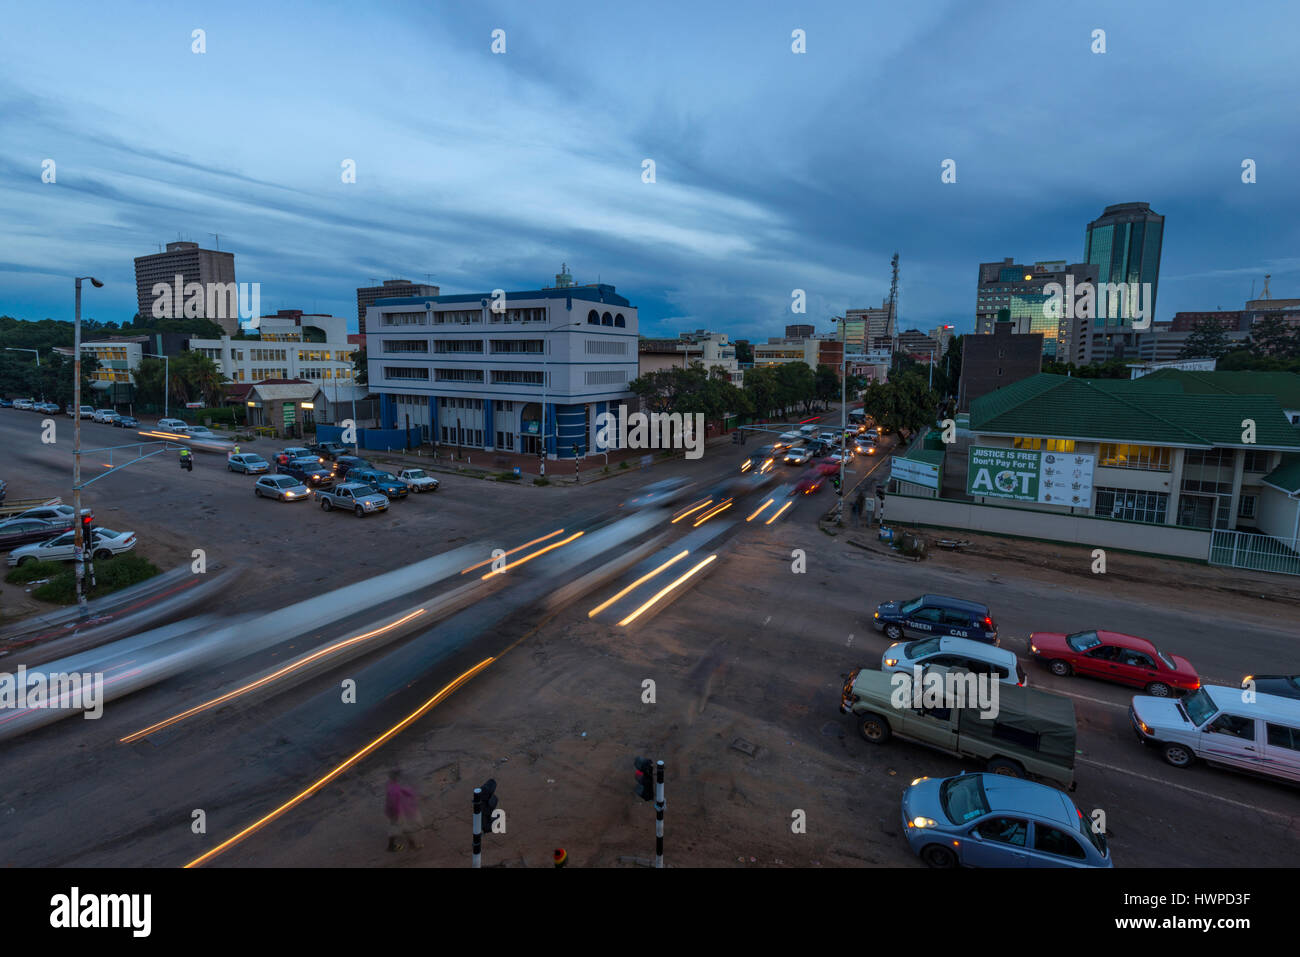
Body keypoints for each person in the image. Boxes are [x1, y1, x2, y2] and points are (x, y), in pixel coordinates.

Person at [384, 769, 423, 852]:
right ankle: (412, 845)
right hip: (397, 812)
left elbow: (398, 791)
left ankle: (391, 846)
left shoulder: (391, 785)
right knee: (405, 828)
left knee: (394, 828)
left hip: (393, 812)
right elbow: (394, 801)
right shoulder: (395, 789)